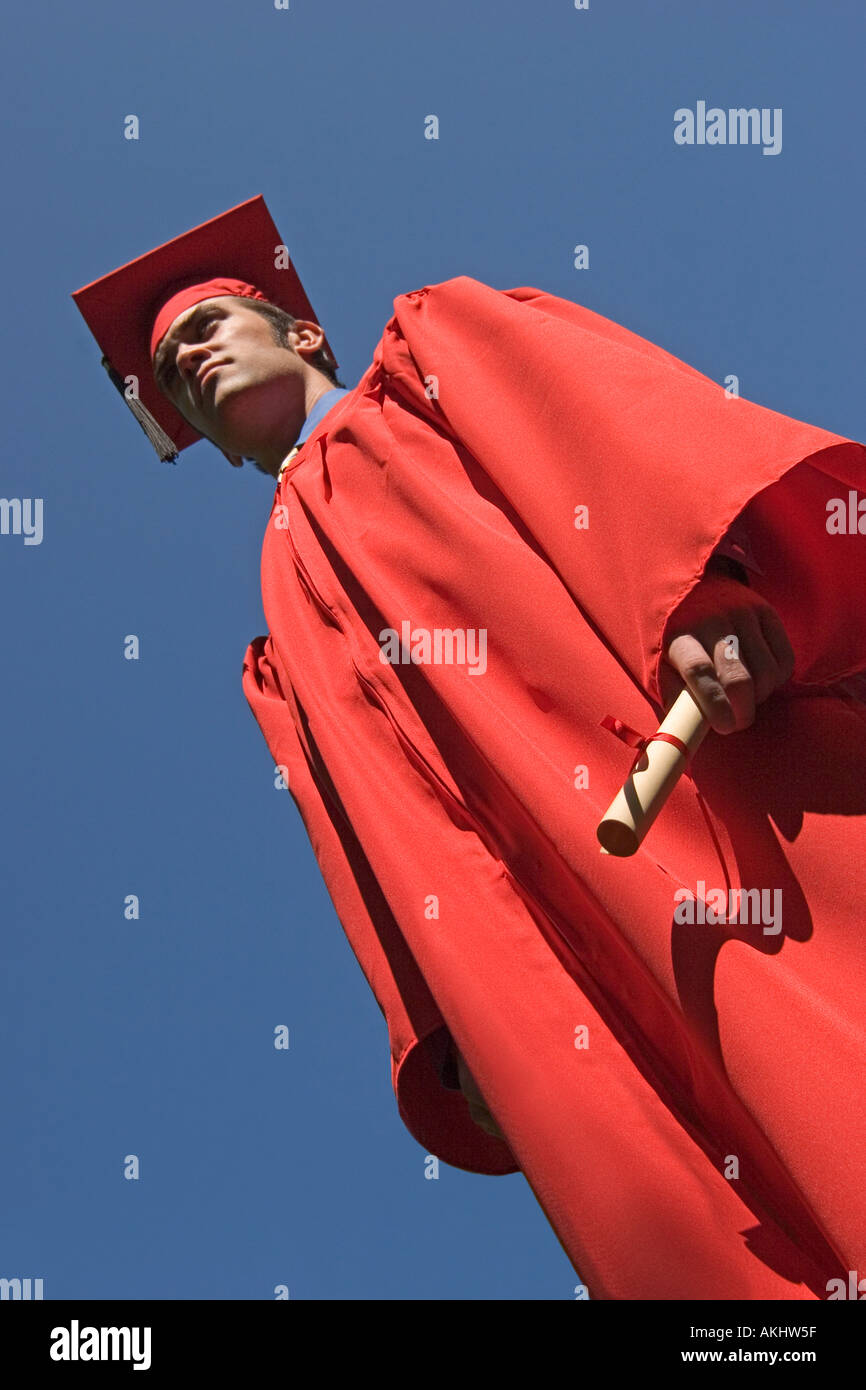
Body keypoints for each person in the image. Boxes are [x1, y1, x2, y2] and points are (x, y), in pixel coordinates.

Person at [73, 195, 866, 1299]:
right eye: (167, 371)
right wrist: (443, 1023)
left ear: (302, 332)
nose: (187, 363)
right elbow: (360, 847)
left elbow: (603, 435)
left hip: (691, 782)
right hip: (536, 953)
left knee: (822, 1058)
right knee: (696, 1209)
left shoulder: (426, 369)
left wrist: (707, 592)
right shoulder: (276, 641)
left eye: (206, 329)